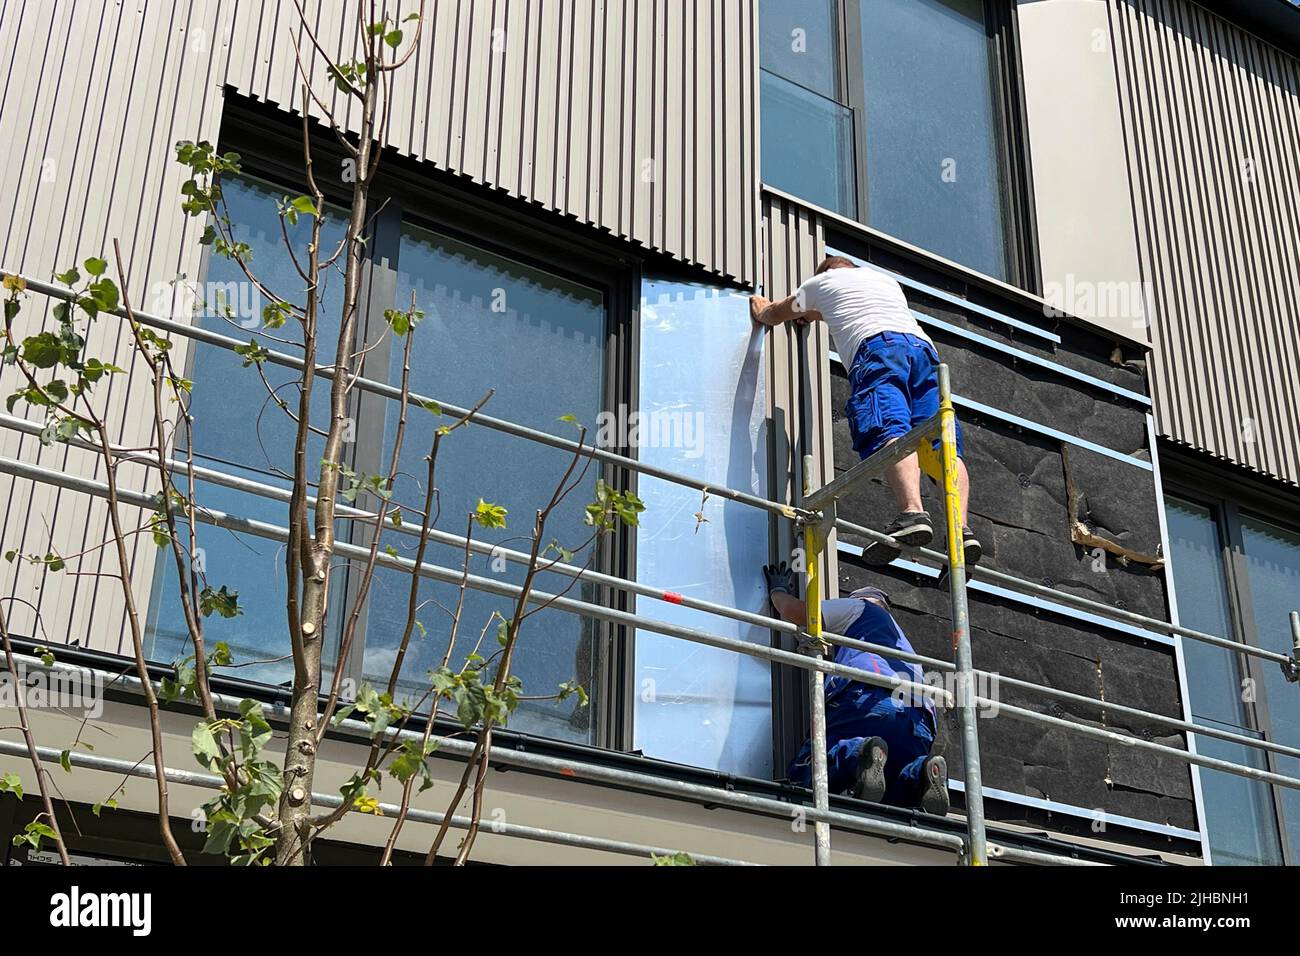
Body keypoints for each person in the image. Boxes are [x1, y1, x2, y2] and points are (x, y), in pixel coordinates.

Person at [751, 256, 979, 566]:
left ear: (825, 271)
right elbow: (841, 306)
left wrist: (761, 306)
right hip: (924, 353)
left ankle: (913, 513)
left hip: (879, 348)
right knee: (941, 444)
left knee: (888, 427)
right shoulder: (885, 281)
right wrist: (815, 313)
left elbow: (775, 314)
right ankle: (960, 530)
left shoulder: (821, 283)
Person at [763, 561, 949, 814]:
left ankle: (860, 752)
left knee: (811, 769)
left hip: (871, 698)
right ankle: (921, 774)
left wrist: (778, 591)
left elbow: (799, 612)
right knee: (894, 788)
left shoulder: (859, 608)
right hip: (919, 721)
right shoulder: (902, 645)